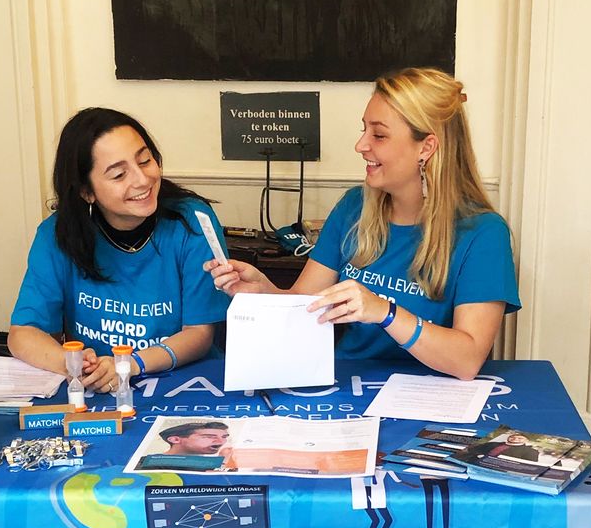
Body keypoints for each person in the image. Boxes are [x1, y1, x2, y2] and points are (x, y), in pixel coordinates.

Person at [208, 68, 521, 379]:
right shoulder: (353, 207)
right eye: (364, 130)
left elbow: (467, 360)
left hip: (432, 396)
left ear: (426, 147)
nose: (361, 145)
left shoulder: (483, 233)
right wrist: (264, 292)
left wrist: (384, 311)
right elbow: (308, 304)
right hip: (349, 387)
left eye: (379, 135)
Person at [9, 107, 229, 393]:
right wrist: (73, 363)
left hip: (184, 384)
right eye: (118, 175)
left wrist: (128, 364)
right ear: (86, 191)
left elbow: (200, 334)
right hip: (98, 390)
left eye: (145, 160)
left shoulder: (191, 222)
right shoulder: (57, 234)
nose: (142, 180)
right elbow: (23, 333)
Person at [158, 421, 231, 456]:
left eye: (224, 437)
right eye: (209, 437)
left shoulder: (205, 463)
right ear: (175, 440)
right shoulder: (151, 463)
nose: (221, 442)